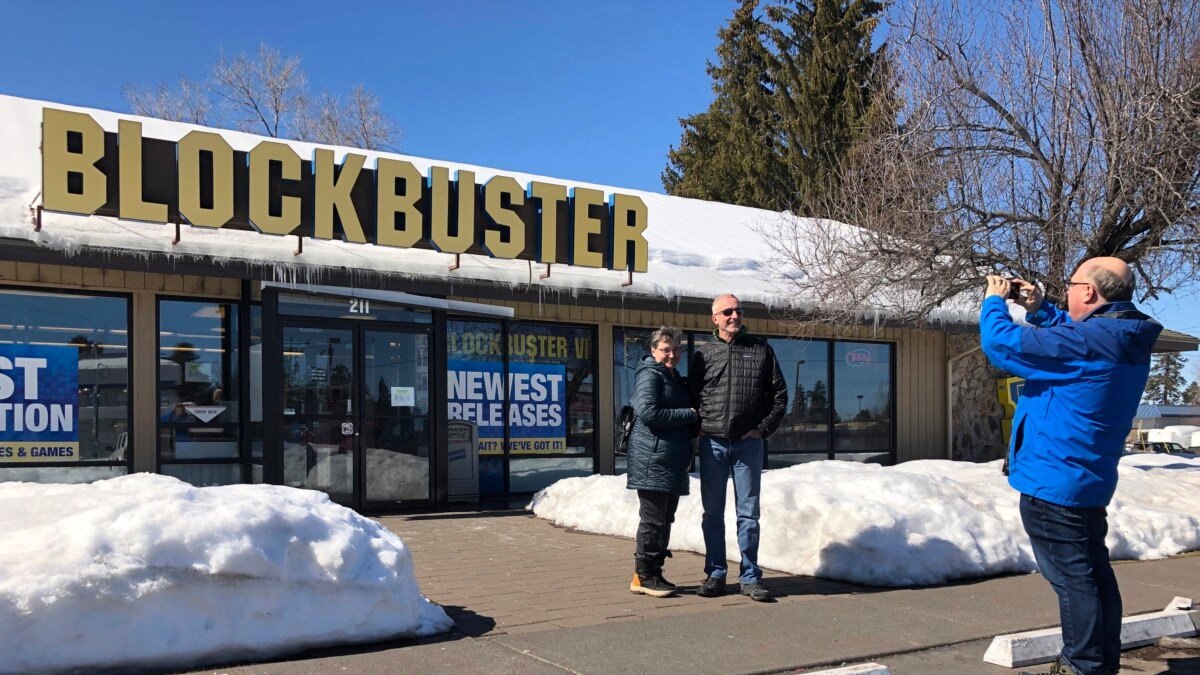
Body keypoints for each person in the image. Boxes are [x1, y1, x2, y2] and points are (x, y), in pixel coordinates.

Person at [980, 258, 1161, 675]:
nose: (1067, 289)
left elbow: (1003, 344)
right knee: (1093, 577)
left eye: (1071, 283)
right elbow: (1075, 336)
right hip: (1085, 479)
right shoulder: (1119, 336)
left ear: (1090, 293)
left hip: (1054, 483)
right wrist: (1041, 309)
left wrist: (994, 300)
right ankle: (1099, 662)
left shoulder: (1088, 343)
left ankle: (1082, 666)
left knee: (1074, 581)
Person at [689, 293, 788, 602]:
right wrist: (699, 427)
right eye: (727, 311)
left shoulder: (761, 350)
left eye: (739, 310)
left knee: (748, 514)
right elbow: (691, 397)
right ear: (715, 319)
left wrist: (763, 429)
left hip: (748, 444)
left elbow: (780, 396)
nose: (735, 315)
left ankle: (750, 577)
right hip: (713, 443)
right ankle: (715, 574)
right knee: (712, 513)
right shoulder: (703, 354)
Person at [626, 327, 697, 598]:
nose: (671, 354)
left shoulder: (672, 378)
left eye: (677, 349)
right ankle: (644, 575)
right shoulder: (650, 375)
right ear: (653, 351)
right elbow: (648, 412)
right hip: (652, 459)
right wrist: (689, 414)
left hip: (670, 460)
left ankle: (650, 573)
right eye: (666, 349)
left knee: (664, 519)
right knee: (653, 520)